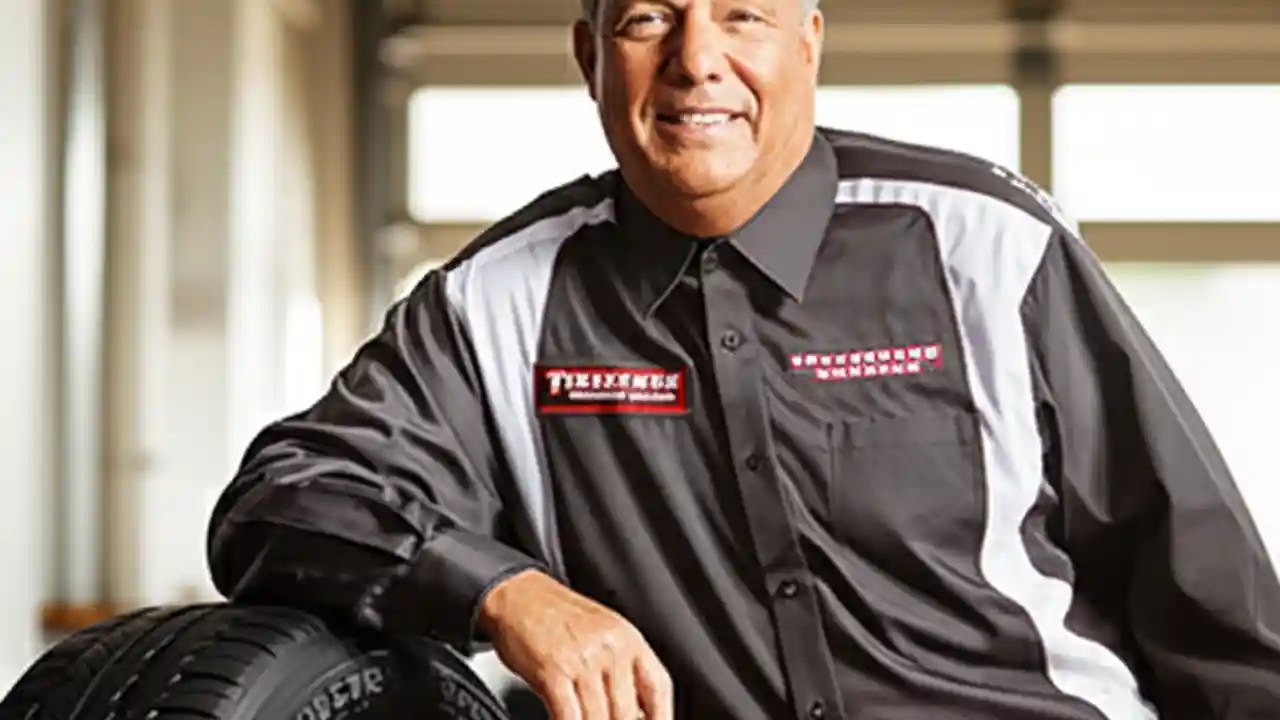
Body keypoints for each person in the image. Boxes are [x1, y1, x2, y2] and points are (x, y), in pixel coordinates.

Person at [205, 0, 1280, 718]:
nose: (694, 61)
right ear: (589, 57)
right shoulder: (497, 301)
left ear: (806, 41)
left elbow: (1204, 599)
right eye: (645, 18)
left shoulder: (983, 246)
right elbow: (284, 501)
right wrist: (507, 592)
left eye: (741, 15)